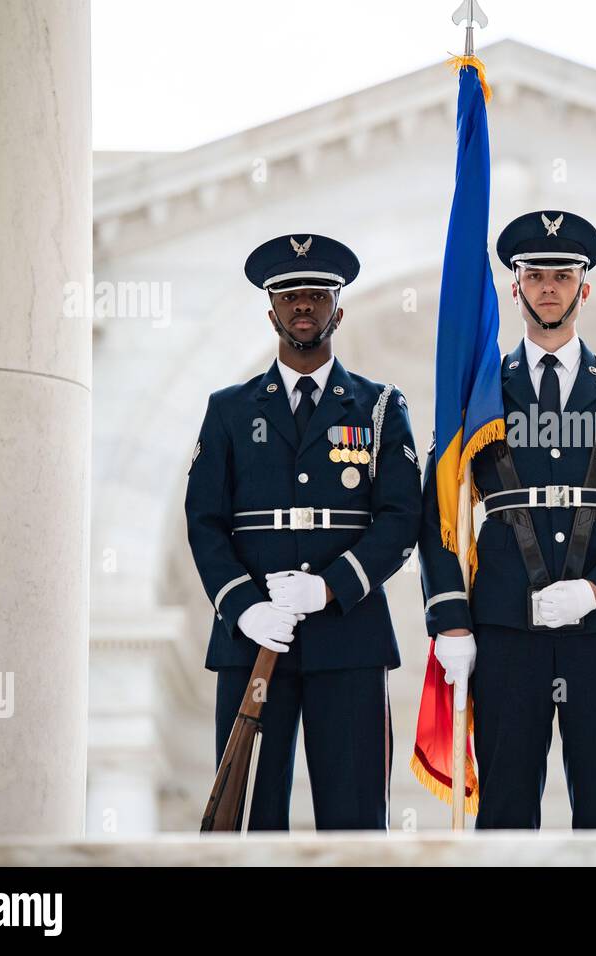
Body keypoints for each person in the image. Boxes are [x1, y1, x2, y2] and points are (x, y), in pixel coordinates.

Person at [418, 210, 596, 829]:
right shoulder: (478, 389)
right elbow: (437, 513)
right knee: (507, 806)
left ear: (584, 288)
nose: (548, 288)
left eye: (562, 275)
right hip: (507, 621)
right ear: (515, 287)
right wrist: (451, 621)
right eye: (535, 275)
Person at [185, 233, 421, 829]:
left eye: (317, 294)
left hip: (349, 636)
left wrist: (331, 587)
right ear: (271, 311)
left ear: (338, 308)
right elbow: (205, 520)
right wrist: (243, 606)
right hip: (255, 640)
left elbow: (400, 519)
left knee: (355, 819)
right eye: (291, 296)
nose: (304, 306)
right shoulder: (229, 410)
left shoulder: (380, 407)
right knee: (252, 821)